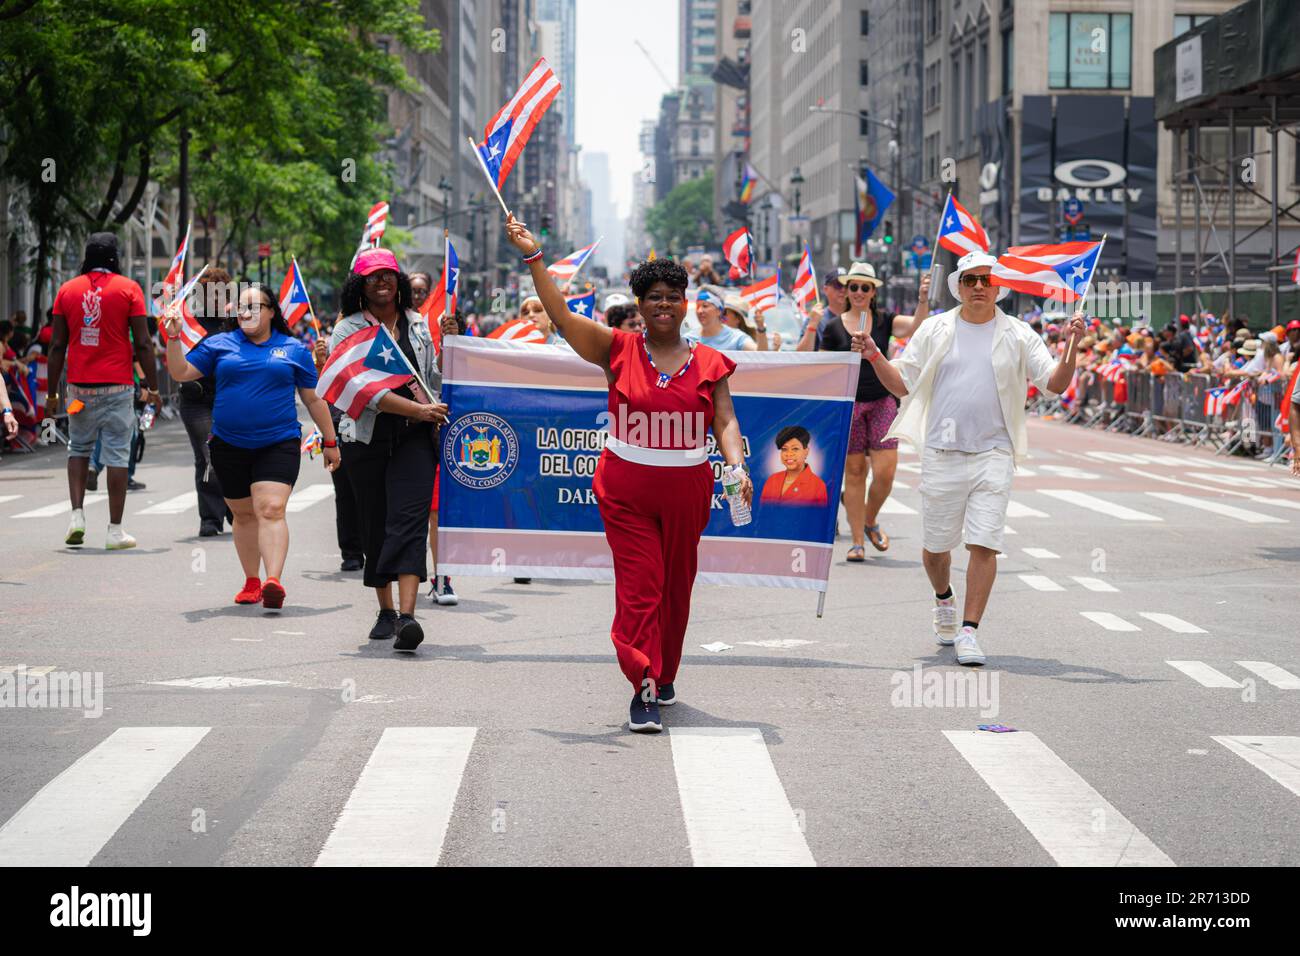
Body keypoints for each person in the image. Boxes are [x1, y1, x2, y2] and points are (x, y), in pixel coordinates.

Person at [506, 214, 751, 733]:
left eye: (673, 295)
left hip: (688, 489)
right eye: (654, 296)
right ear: (639, 306)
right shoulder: (615, 349)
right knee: (642, 588)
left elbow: (725, 420)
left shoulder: (709, 361)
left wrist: (736, 464)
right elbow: (562, 316)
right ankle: (642, 683)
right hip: (626, 490)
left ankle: (664, 674)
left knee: (676, 588)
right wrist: (534, 258)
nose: (664, 303)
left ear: (685, 304)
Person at [854, 250, 1085, 666]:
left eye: (986, 279)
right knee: (936, 548)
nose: (979, 286)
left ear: (998, 287)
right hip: (943, 452)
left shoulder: (1017, 333)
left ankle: (969, 630)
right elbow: (901, 383)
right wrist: (874, 354)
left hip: (994, 452)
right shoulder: (936, 329)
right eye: (971, 279)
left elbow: (1054, 384)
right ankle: (943, 598)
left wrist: (1071, 347)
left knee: (984, 543)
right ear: (959, 286)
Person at [163, 283, 339, 608]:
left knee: (271, 509)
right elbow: (181, 372)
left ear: (272, 311)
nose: (246, 312)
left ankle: (273, 580)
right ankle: (252, 581)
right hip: (228, 445)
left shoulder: (293, 349)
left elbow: (313, 399)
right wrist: (173, 338)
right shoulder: (219, 344)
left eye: (255, 306)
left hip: (279, 442)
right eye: (241, 306)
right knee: (243, 515)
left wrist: (330, 441)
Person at [328, 249, 448, 651]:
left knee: (410, 521)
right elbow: (364, 390)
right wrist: (418, 407)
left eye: (388, 275)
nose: (382, 282)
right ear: (359, 285)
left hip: (415, 438)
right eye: (372, 277)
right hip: (366, 438)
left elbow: (433, 380)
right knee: (375, 522)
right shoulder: (347, 331)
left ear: (398, 281)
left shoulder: (417, 325)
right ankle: (386, 610)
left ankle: (409, 618)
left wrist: (449, 348)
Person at [45, 233, 160, 550]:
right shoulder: (128, 289)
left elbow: (56, 346)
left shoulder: (67, 290)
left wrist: (52, 395)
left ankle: (77, 516)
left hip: (78, 390)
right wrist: (152, 387)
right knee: (118, 455)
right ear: (114, 258)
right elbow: (144, 344)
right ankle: (114, 530)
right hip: (118, 387)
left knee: (78, 449)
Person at [815, 261, 933, 559]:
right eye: (852, 286)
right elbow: (823, 368)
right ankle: (857, 541)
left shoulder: (884, 320)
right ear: (846, 290)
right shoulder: (832, 327)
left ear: (872, 292)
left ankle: (869, 519)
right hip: (849, 404)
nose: (857, 292)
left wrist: (922, 300)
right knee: (854, 473)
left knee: (885, 472)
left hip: (882, 400)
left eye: (864, 287)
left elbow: (917, 327)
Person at [174, 267, 234, 536]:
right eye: (209, 292)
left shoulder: (236, 324)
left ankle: (236, 509)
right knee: (207, 456)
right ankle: (210, 518)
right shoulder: (189, 325)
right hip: (197, 399)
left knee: (234, 455)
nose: (215, 298)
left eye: (220, 292)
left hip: (231, 398)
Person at [760, 425, 828, 506]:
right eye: (784, 449)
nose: (789, 454)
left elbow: (819, 517)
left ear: (806, 452)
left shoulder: (818, 486)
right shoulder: (772, 480)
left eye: (795, 449)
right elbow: (762, 513)